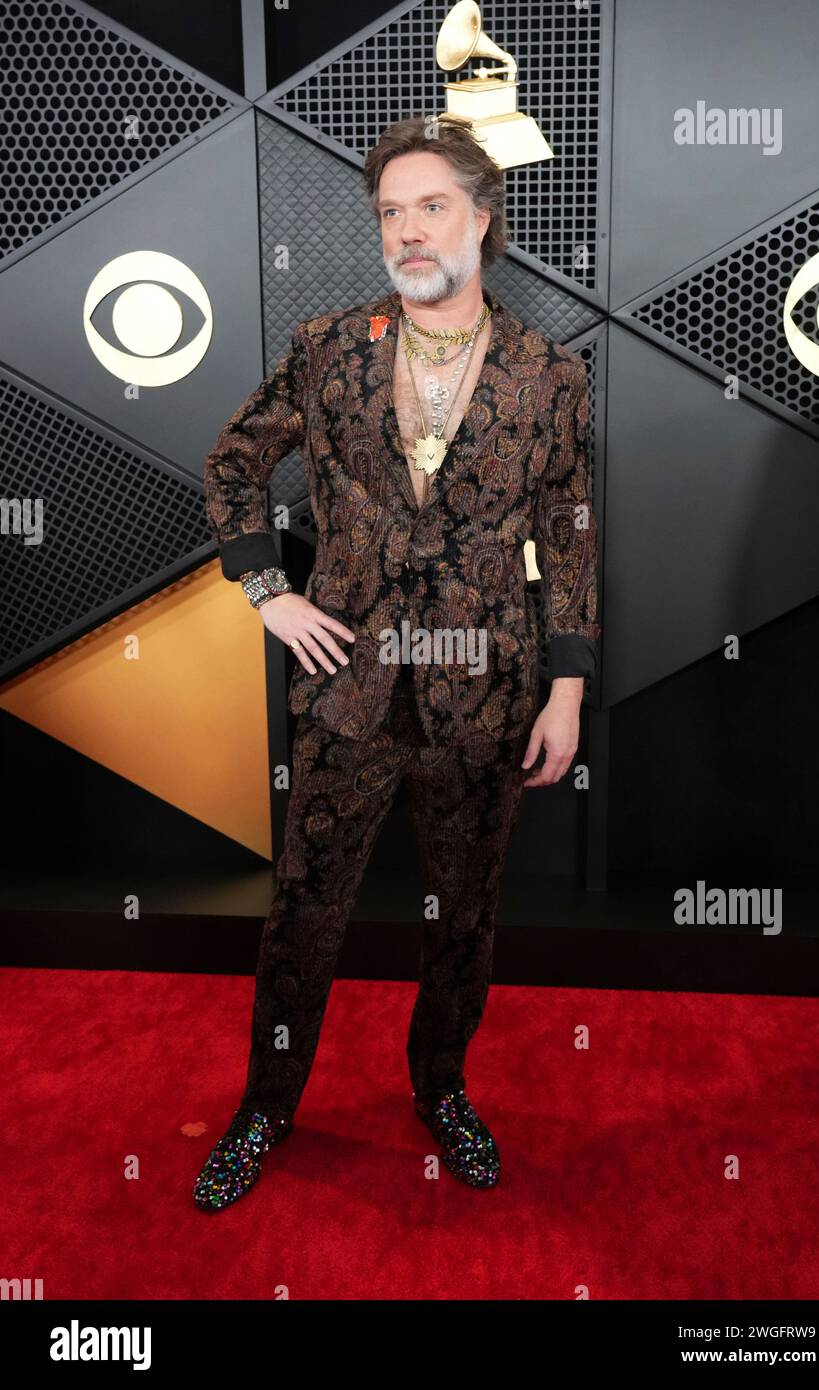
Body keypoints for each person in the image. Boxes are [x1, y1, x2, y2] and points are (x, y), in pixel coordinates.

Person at [193, 115, 600, 1211]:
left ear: (480, 219)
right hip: (346, 686)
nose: (407, 232)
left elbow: (565, 529)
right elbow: (233, 462)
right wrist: (267, 590)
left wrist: (565, 687)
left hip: (485, 688)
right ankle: (264, 1109)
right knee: (302, 911)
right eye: (389, 212)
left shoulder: (548, 374)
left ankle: (442, 1088)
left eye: (429, 207)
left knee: (463, 911)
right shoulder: (330, 346)